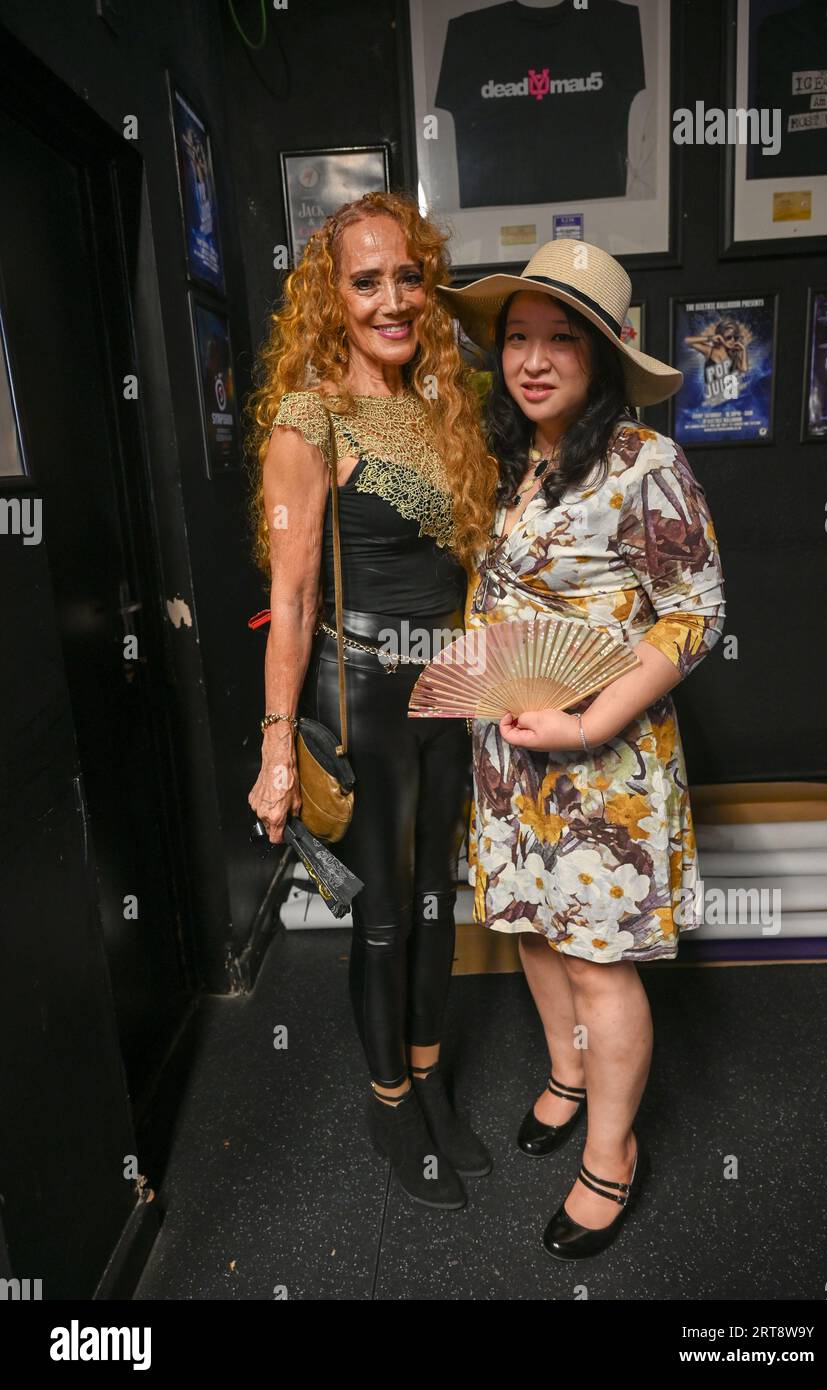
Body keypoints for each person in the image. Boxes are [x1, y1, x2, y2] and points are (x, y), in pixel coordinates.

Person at [437, 240, 726, 1257]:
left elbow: (697, 613)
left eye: (564, 338)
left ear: (603, 356)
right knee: (531, 930)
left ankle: (612, 1153)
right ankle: (566, 1073)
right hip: (509, 755)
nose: (534, 357)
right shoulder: (503, 454)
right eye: (518, 336)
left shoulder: (645, 463)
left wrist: (589, 719)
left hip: (601, 763)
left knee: (602, 964)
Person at [245, 192, 499, 1211]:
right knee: (385, 913)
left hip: (447, 687)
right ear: (331, 295)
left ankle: (432, 1080)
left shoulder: (451, 401)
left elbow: (475, 563)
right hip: (361, 691)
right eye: (366, 280)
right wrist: (274, 748)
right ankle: (388, 1100)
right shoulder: (312, 418)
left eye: (406, 276)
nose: (391, 298)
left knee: (440, 897)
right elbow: (291, 597)